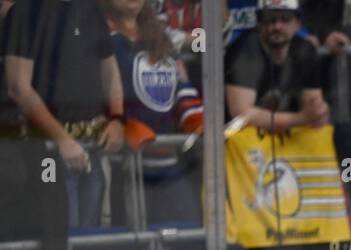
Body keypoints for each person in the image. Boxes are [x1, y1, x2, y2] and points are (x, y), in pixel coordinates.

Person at [3, 0, 125, 237]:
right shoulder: (26, 12)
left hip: (92, 145)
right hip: (45, 151)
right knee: (60, 238)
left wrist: (118, 118)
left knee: (91, 239)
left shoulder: (90, 9)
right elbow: (18, 87)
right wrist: (62, 139)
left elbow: (110, 71)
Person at [102, 0, 204, 226]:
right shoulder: (99, 33)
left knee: (186, 231)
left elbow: (180, 82)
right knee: (136, 244)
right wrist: (122, 124)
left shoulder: (159, 34)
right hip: (127, 164)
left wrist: (195, 117)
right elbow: (98, 92)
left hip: (169, 160)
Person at [225, 0, 329, 134]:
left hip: (289, 136)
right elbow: (241, 116)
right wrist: (299, 118)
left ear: (298, 24)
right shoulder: (243, 51)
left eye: (286, 19)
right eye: (269, 19)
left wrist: (319, 113)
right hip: (242, 137)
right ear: (259, 23)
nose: (277, 26)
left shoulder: (305, 51)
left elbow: (313, 104)